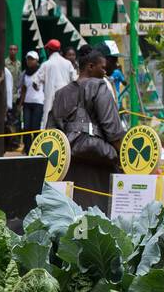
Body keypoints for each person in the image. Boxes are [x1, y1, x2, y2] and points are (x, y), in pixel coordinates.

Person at [45, 50, 125, 213]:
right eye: (102, 68)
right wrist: (123, 157)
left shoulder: (60, 94)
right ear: (90, 67)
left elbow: (52, 131)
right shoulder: (99, 86)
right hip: (97, 165)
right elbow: (112, 129)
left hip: (69, 166)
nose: (105, 72)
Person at [36, 39, 76, 129]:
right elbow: (75, 81)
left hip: (50, 102)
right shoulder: (68, 63)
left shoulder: (46, 65)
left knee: (49, 128)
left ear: (48, 50)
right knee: (65, 128)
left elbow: (35, 84)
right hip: (66, 101)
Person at [19, 51, 45, 153]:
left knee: (35, 127)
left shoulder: (41, 72)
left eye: (32, 59)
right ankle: (27, 148)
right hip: (27, 103)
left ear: (37, 60)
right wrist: (20, 103)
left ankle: (36, 148)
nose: (30, 61)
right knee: (26, 128)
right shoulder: (25, 73)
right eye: (28, 59)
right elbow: (24, 88)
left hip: (38, 102)